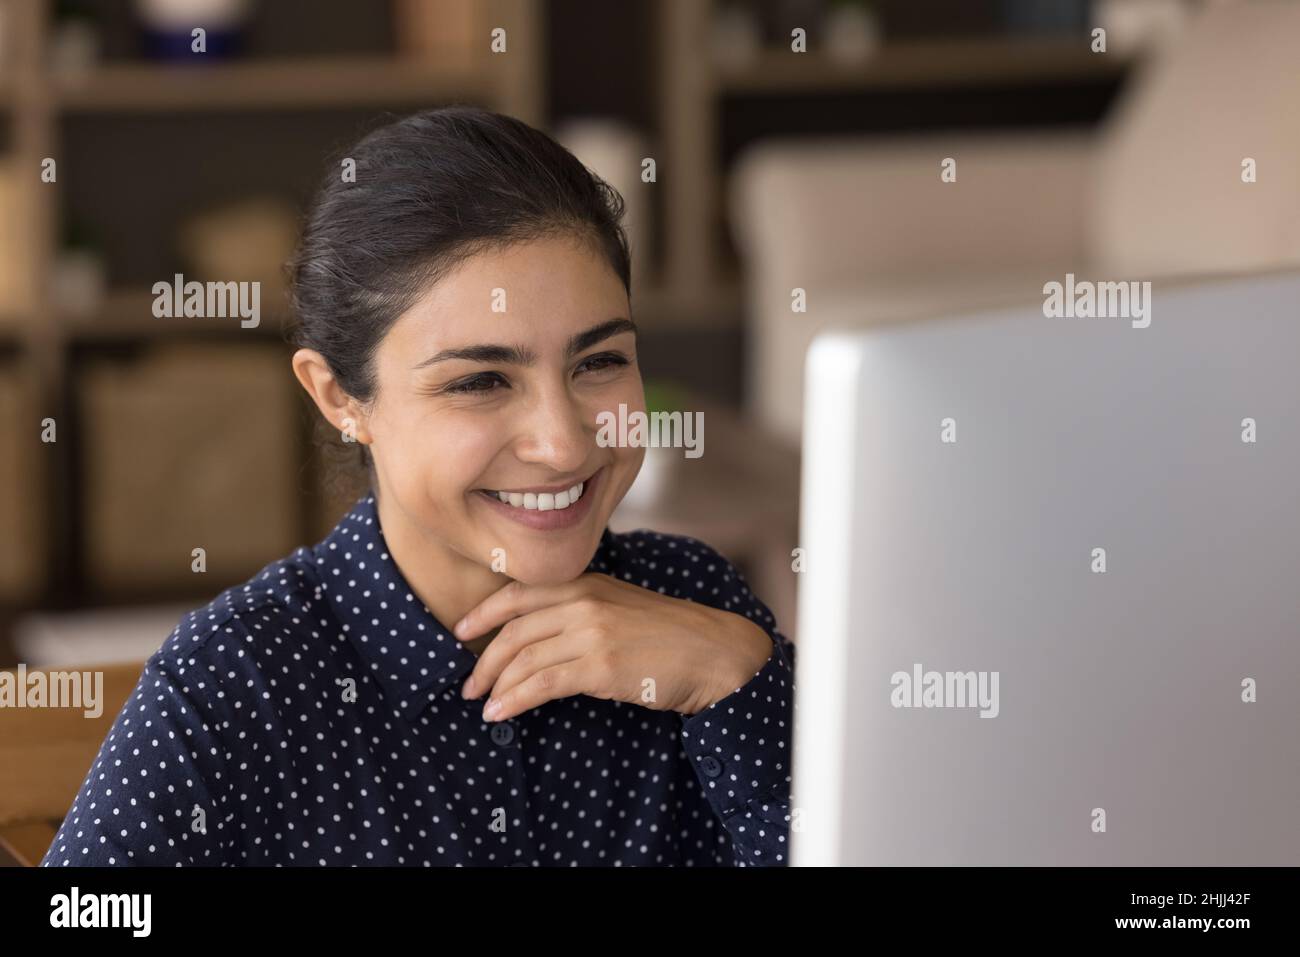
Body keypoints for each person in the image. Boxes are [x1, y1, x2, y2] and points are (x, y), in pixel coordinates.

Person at [42, 106, 795, 867]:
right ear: (341, 398)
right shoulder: (235, 681)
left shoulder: (704, 614)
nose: (562, 442)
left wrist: (741, 678)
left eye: (598, 363)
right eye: (480, 381)